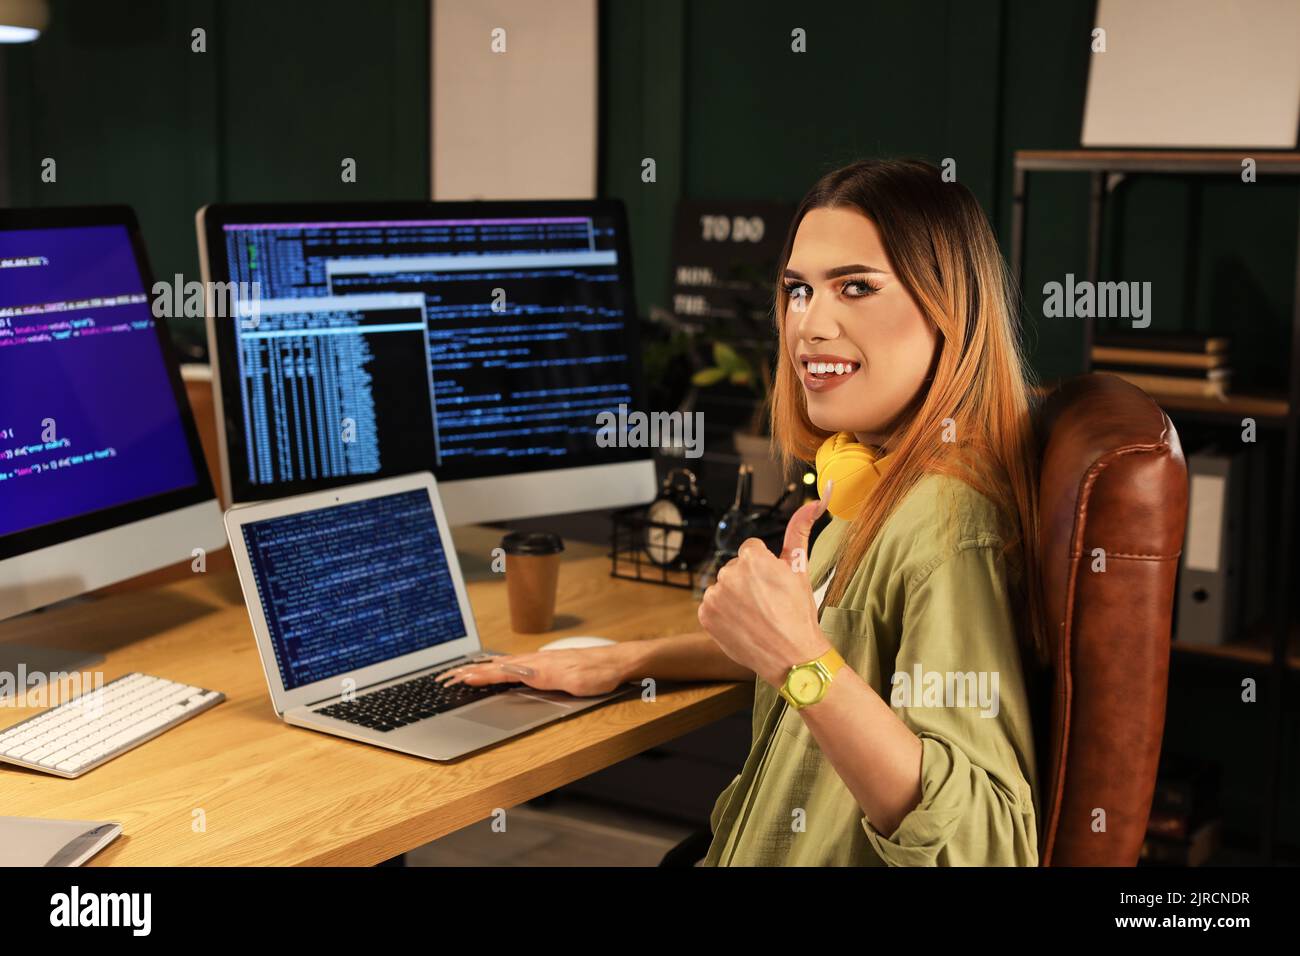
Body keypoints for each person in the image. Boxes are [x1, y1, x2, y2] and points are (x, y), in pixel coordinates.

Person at [437, 158, 1047, 866]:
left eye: (856, 287)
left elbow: (989, 844)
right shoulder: (872, 479)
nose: (810, 325)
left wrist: (801, 661)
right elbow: (842, 646)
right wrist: (629, 660)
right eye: (797, 291)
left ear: (951, 309)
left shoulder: (947, 524)